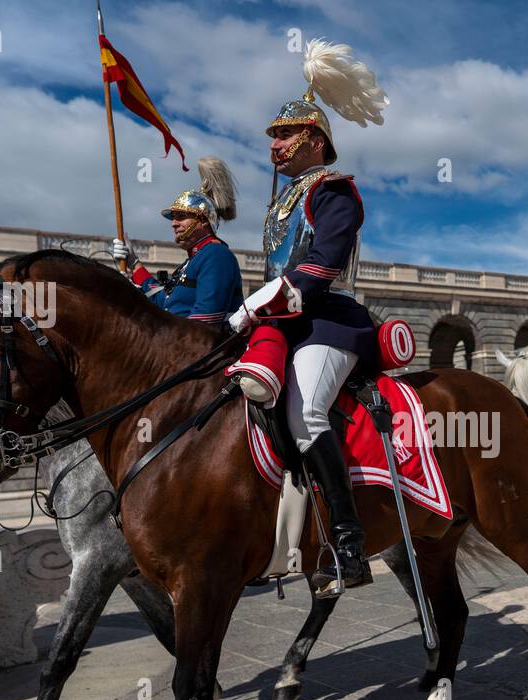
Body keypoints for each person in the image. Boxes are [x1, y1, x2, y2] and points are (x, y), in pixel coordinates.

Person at [224, 40, 388, 597]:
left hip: (325, 323)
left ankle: (348, 542)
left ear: (315, 139)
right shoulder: (281, 204)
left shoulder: (333, 190)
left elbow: (318, 270)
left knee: (304, 411)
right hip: (283, 323)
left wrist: (249, 308)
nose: (274, 143)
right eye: (272, 135)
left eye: (284, 133)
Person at [111, 157, 244, 325]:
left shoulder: (216, 255)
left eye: (181, 217)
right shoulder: (195, 259)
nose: (173, 223)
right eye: (173, 218)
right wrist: (133, 263)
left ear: (203, 220)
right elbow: (163, 300)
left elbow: (205, 321)